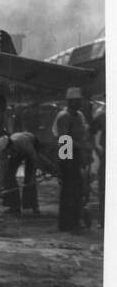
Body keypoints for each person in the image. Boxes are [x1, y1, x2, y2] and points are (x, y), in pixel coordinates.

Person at [52, 87, 92, 231]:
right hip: (68, 157)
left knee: (77, 191)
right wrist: (65, 162)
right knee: (70, 191)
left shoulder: (79, 115)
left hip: (77, 156)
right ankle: (69, 224)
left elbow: (84, 134)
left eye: (80, 100)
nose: (80, 103)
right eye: (77, 101)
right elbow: (64, 140)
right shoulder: (64, 116)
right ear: (70, 101)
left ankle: (72, 222)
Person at [0, 130, 43, 216]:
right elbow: (2, 169)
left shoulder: (24, 146)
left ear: (10, 147)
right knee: (9, 175)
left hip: (32, 143)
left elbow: (34, 160)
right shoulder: (2, 149)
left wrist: (32, 177)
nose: (7, 153)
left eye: (8, 151)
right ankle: (14, 206)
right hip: (17, 147)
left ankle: (32, 206)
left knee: (29, 177)